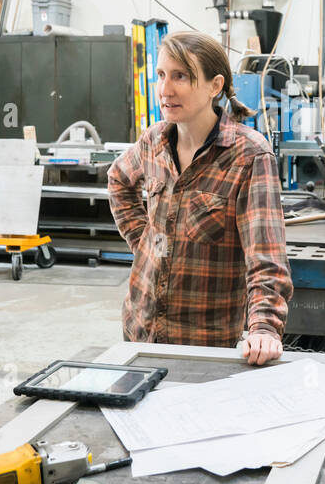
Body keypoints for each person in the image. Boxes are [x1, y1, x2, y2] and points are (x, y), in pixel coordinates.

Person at [108, 31, 292, 364]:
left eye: (181, 76)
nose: (165, 90)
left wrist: (264, 328)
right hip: (139, 328)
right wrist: (145, 244)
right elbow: (118, 179)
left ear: (215, 85)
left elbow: (266, 260)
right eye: (162, 75)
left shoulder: (249, 157)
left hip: (203, 344)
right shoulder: (153, 142)